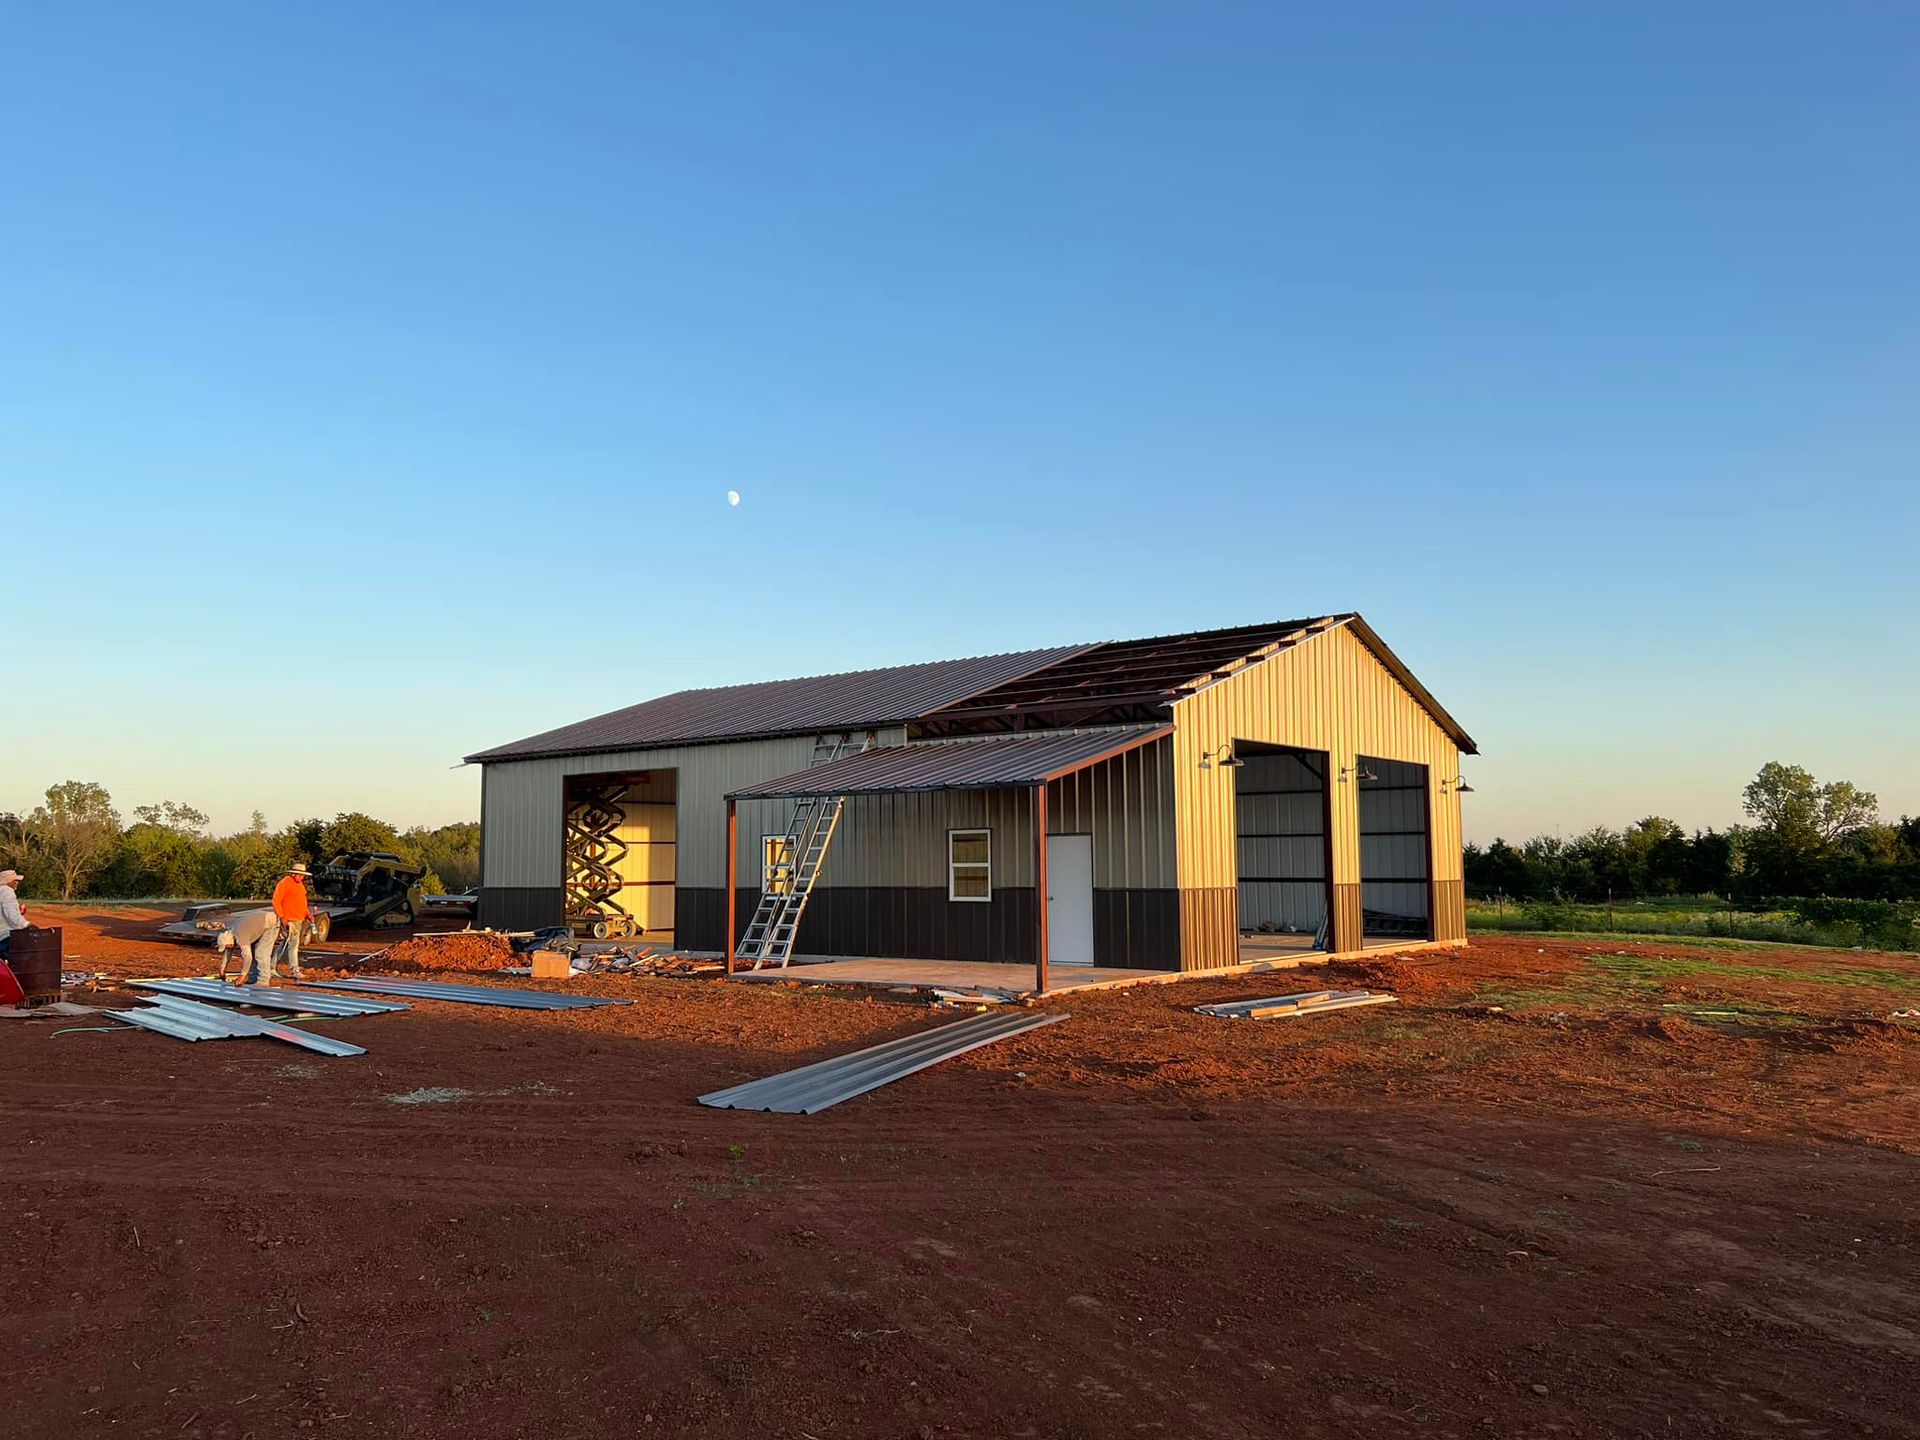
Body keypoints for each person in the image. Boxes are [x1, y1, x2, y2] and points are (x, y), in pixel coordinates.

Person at [215, 907, 282, 985]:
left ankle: (263, 981)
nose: (230, 949)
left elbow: (248, 958)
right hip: (257, 926)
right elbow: (228, 952)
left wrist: (242, 977)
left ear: (230, 942)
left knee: (261, 953)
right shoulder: (231, 933)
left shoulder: (241, 937)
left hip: (271, 923)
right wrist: (222, 969)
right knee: (254, 953)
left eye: (228, 946)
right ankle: (253, 979)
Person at [271, 861, 314, 983]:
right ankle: (295, 970)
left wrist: (308, 914)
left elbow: (302, 903)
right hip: (289, 920)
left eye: (303, 875)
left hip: (298, 919)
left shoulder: (300, 886)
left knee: (286, 944)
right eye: (299, 874)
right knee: (293, 945)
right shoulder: (284, 883)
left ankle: (271, 966)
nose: (301, 877)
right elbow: (276, 901)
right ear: (293, 874)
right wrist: (282, 917)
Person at [0, 869, 27, 961]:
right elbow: (11, 914)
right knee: (20, 961)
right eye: (15, 880)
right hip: (6, 936)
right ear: (7, 881)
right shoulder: (7, 891)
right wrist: (26, 925)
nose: (17, 882)